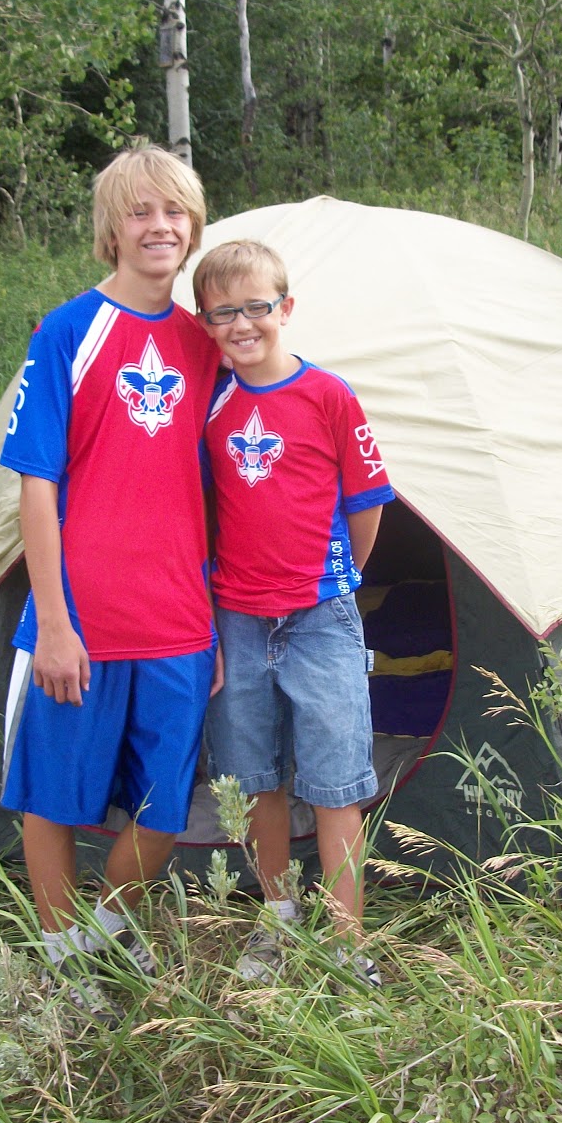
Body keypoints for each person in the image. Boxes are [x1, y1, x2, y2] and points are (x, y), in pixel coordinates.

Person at [0, 143, 222, 1021]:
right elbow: (36, 483)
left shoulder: (209, 344)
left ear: (193, 224)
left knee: (166, 807)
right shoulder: (66, 332)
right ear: (111, 228)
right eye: (140, 211)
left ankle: (100, 931)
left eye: (174, 211)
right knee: (50, 795)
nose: (160, 226)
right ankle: (63, 960)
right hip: (81, 617)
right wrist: (53, 621)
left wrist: (212, 615)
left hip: (177, 616)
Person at [194, 239, 396, 987]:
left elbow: (367, 505)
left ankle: (345, 944)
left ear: (285, 308)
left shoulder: (329, 396)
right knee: (255, 781)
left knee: (338, 783)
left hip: (320, 619)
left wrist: (342, 578)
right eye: (224, 312)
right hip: (237, 620)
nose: (243, 323)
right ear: (206, 322)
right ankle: (276, 921)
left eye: (256, 307)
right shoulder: (207, 401)